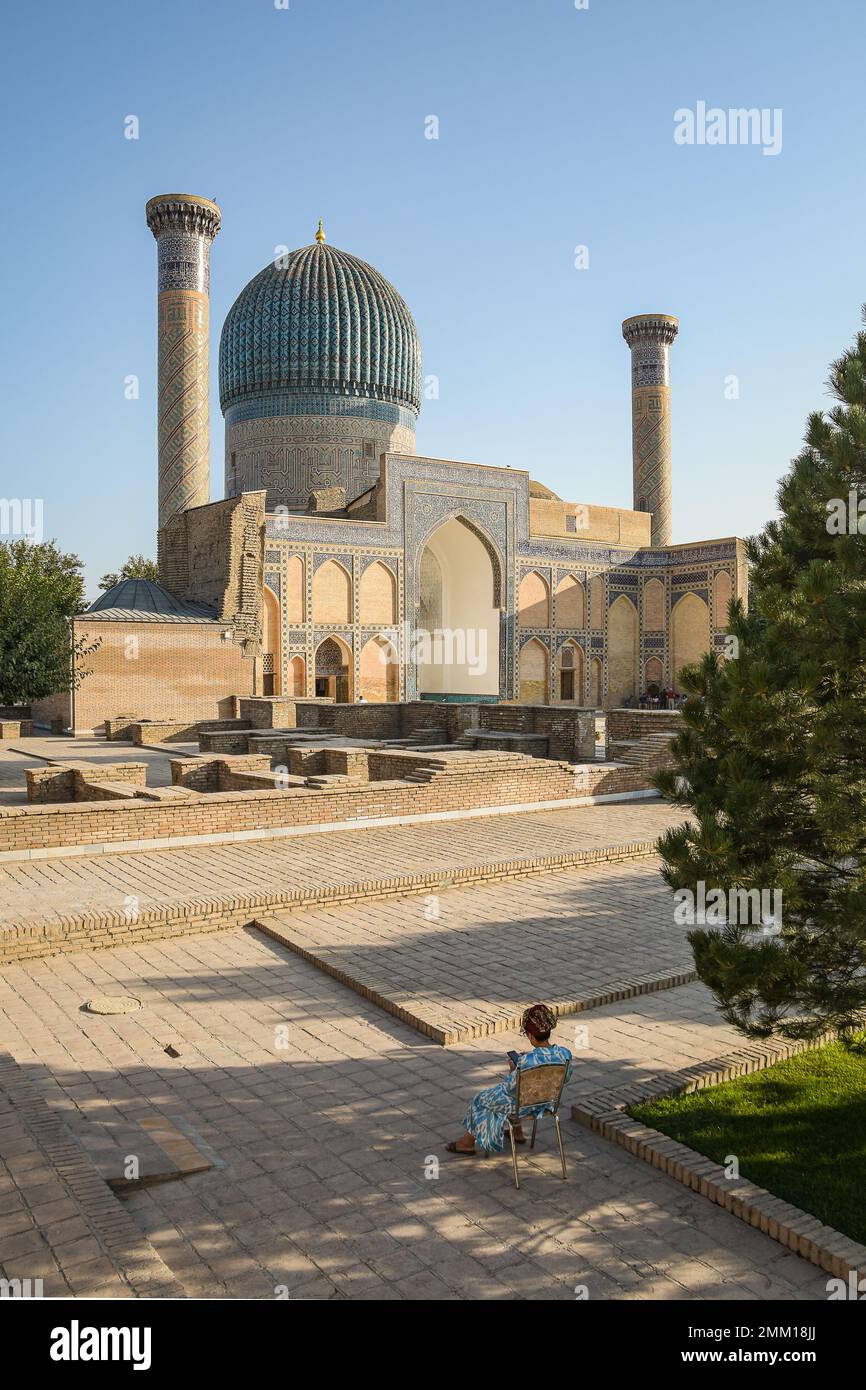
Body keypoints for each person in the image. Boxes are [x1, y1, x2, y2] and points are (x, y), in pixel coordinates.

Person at [445, 1003, 573, 1156]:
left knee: (481, 1100)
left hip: (523, 1106)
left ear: (531, 1036)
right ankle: (517, 1133)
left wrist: (514, 1069)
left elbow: (511, 1088)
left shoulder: (526, 1062)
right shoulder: (565, 1054)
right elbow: (564, 1079)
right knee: (510, 1099)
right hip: (547, 1103)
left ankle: (467, 1144)